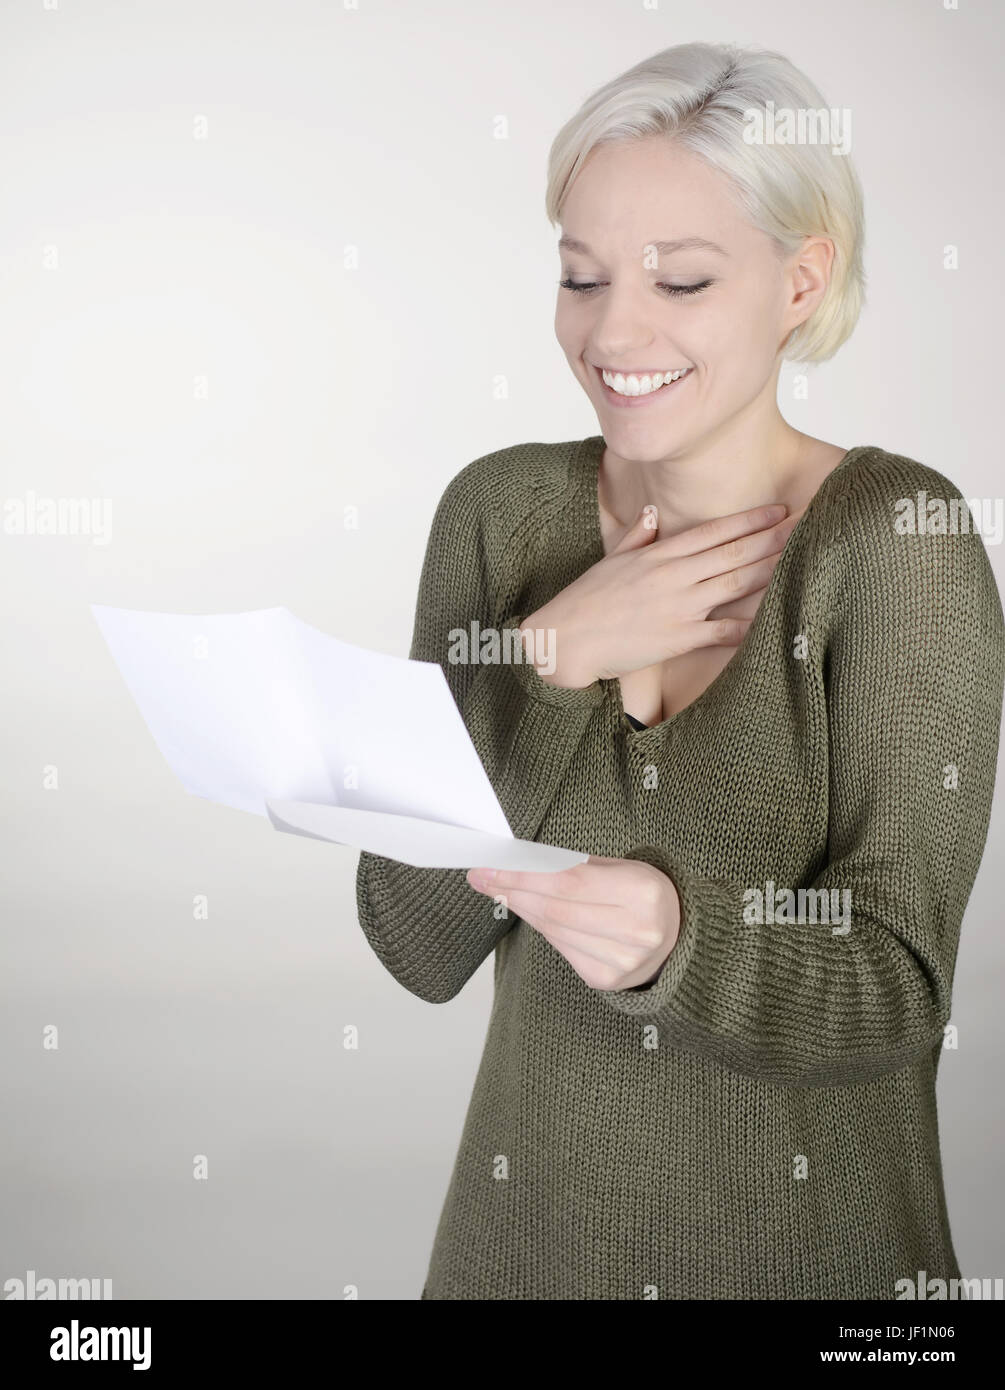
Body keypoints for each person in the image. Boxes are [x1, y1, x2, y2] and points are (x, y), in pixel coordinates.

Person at [355, 41, 1005, 1299]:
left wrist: (679, 937)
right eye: (581, 277)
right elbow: (414, 938)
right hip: (517, 1266)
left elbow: (899, 989)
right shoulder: (501, 517)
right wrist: (546, 659)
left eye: (684, 281)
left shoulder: (894, 546)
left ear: (802, 282)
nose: (614, 333)